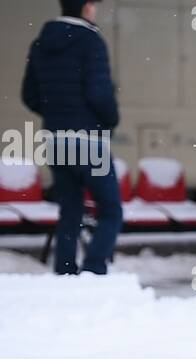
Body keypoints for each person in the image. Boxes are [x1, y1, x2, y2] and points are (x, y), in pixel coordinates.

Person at [21, 0, 123, 275]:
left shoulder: (40, 44)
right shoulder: (91, 41)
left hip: (55, 140)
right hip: (90, 140)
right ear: (87, 8)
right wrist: (111, 119)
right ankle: (93, 270)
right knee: (111, 210)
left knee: (70, 211)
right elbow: (99, 94)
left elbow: (29, 95)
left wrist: (57, 114)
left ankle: (65, 272)